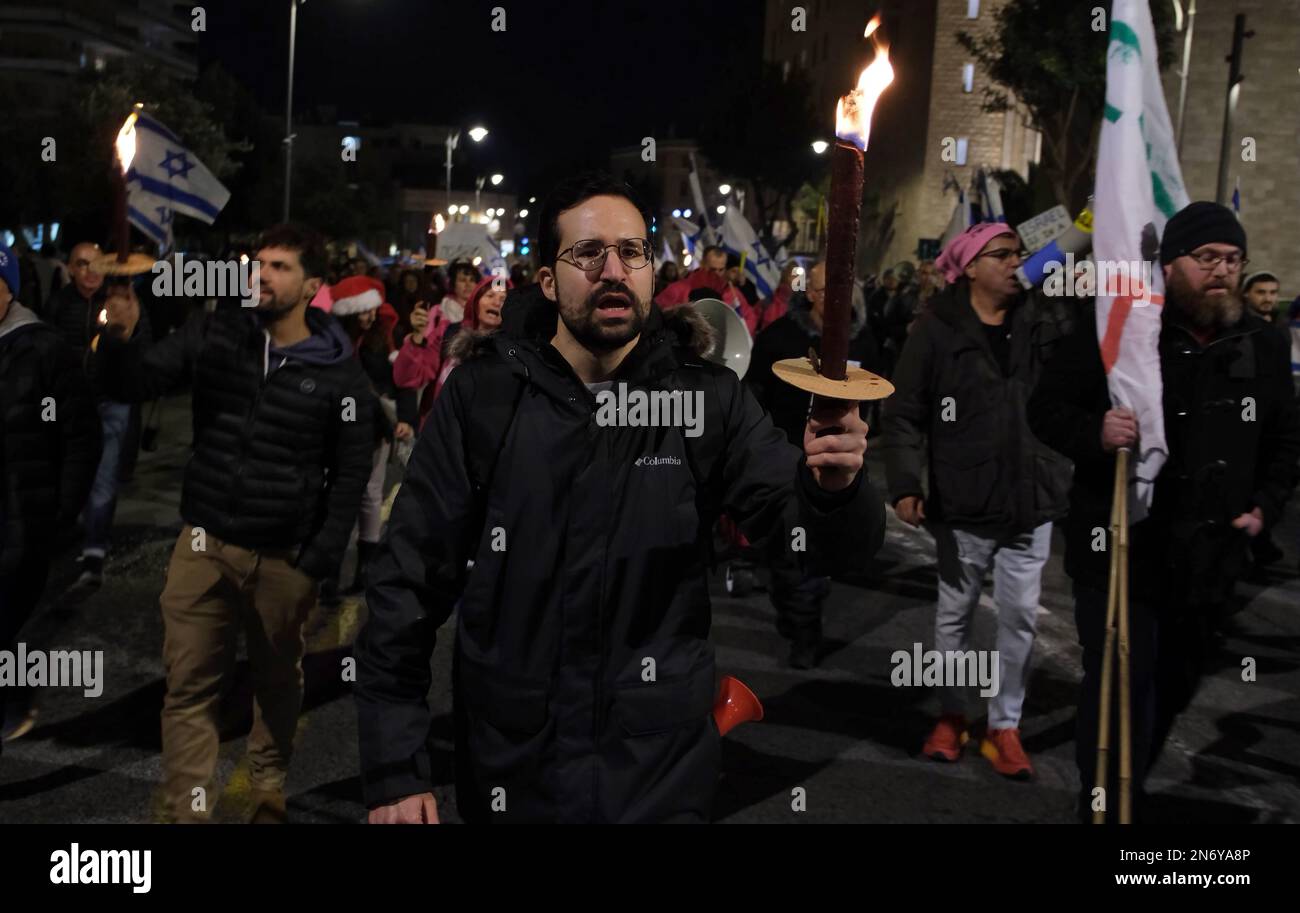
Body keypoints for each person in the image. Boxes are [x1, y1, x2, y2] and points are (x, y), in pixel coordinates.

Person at [355, 172, 885, 824]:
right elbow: (405, 583)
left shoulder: (707, 401)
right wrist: (394, 768)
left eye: (632, 252)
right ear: (546, 280)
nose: (614, 270)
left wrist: (835, 488)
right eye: (588, 253)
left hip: (658, 779)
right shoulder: (483, 399)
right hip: (515, 771)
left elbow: (814, 545)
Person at [1027, 201, 1300, 821]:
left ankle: (1131, 784)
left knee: (1174, 684)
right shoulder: (1121, 328)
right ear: (1170, 264)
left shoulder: (1261, 341)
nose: (1222, 271)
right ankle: (1105, 805)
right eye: (1207, 258)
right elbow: (1045, 409)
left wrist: (1263, 506)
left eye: (1233, 260)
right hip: (1123, 544)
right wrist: (1096, 430)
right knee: (1121, 683)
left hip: (1209, 557)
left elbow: (1286, 439)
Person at [96, 224, 376, 823]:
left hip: (283, 557)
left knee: (275, 681)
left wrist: (317, 563)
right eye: (257, 264)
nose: (261, 276)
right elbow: (136, 381)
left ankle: (268, 784)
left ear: (312, 286)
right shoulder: (218, 332)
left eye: (278, 267)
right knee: (190, 685)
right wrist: (119, 337)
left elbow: (351, 474)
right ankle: (186, 810)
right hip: (204, 543)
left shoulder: (340, 374)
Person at [883, 222, 1073, 780]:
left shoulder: (1043, 317)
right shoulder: (938, 328)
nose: (1016, 262)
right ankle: (951, 715)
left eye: (1019, 252)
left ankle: (1004, 726)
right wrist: (905, 485)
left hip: (1030, 500)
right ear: (969, 267)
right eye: (1001, 254)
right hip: (963, 501)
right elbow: (902, 413)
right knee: (955, 620)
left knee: (1019, 619)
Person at [746, 260, 883, 667]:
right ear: (811, 293)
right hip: (781, 455)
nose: (835, 297)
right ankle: (792, 610)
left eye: (843, 286)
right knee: (783, 554)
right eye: (826, 289)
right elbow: (755, 392)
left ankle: (806, 631)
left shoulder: (862, 340)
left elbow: (876, 389)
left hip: (829, 466)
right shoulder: (779, 337)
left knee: (809, 556)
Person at [0, 241, 101, 745]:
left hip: (24, 515)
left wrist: (62, 508)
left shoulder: (42, 349)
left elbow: (80, 434)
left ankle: (12, 698)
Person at [43, 242, 152, 597]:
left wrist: (121, 336)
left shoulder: (125, 304)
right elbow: (47, 348)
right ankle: (67, 534)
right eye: (81, 265)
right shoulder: (59, 304)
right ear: (71, 269)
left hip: (110, 404)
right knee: (67, 470)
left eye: (95, 265)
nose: (90, 272)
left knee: (103, 476)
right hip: (72, 400)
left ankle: (94, 554)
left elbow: (141, 350)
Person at [330, 275, 416, 599]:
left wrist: (405, 418)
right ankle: (329, 570)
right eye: (361, 311)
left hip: (375, 427)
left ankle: (364, 570)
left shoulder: (386, 339)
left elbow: (404, 381)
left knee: (370, 493)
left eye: (371, 310)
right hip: (339, 427)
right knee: (338, 494)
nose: (367, 317)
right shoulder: (335, 340)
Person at [655, 244, 756, 334]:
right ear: (702, 264)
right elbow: (656, 314)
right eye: (712, 269)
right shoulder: (678, 289)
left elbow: (749, 318)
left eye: (721, 269)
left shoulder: (733, 293)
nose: (717, 274)